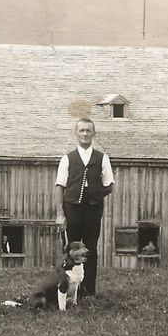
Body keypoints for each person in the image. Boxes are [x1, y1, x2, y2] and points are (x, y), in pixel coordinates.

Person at [53, 118, 115, 298]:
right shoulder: (67, 158)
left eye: (88, 131)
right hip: (72, 208)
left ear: (93, 134)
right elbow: (59, 186)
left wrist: (94, 194)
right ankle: (69, 290)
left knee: (90, 248)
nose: (85, 134)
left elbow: (109, 184)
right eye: (82, 131)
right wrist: (60, 214)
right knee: (71, 248)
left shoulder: (102, 158)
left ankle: (88, 290)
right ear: (76, 133)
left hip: (93, 209)